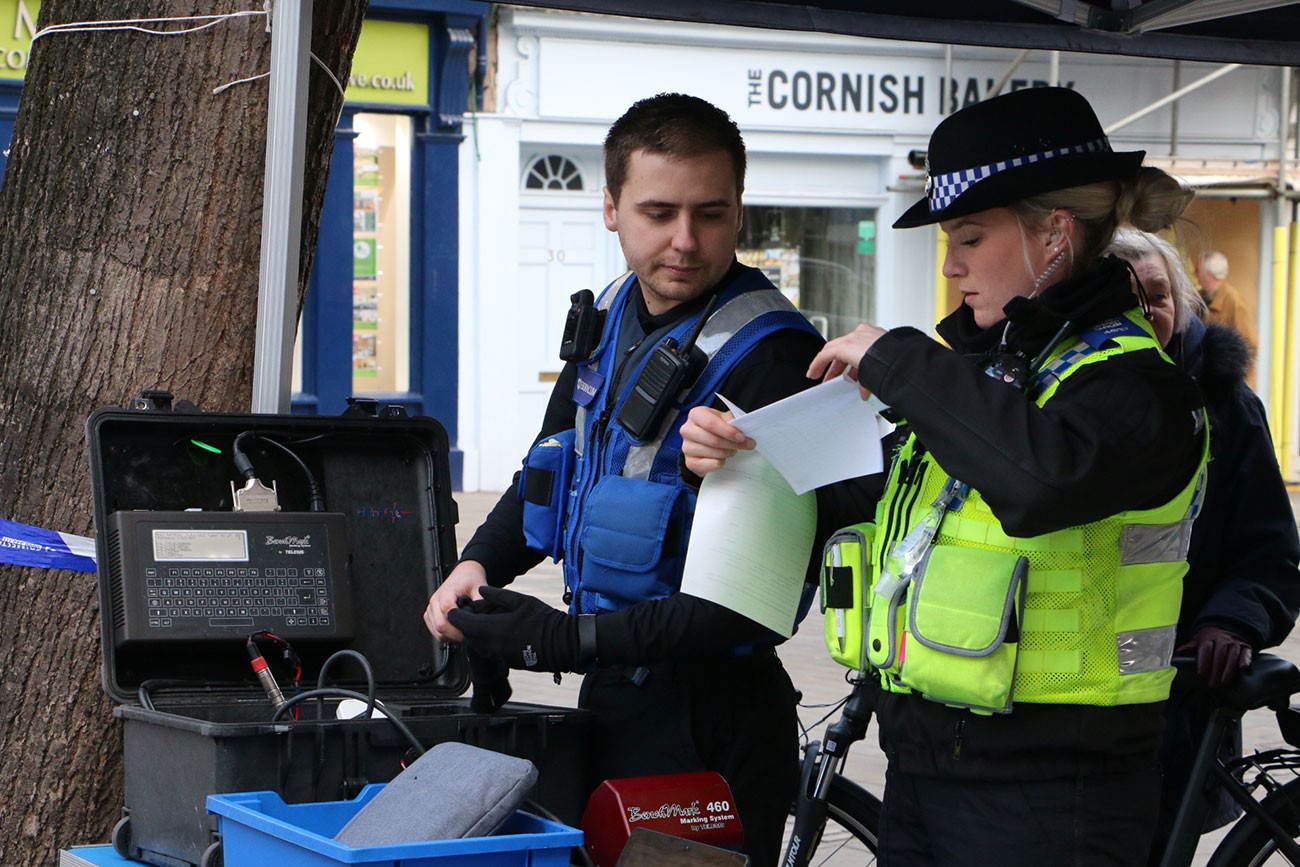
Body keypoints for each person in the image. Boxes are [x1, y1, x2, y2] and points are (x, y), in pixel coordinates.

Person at [681, 86, 1208, 866]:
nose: (950, 263)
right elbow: (884, 508)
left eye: (967, 236)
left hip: (1054, 796)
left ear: (1055, 234)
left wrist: (898, 358)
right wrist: (749, 454)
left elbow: (1041, 484)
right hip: (930, 766)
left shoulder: (1137, 386)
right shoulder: (991, 375)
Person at [422, 93, 858, 866]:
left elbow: (739, 612)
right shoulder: (612, 314)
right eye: (659, 212)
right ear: (611, 208)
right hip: (615, 698)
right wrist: (477, 564)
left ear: (740, 211)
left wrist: (560, 636)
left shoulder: (775, 359)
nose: (685, 241)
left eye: (711, 214)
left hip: (712, 720)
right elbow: (550, 467)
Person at [1107, 228, 1300, 858]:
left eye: (1158, 297)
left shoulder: (1228, 407)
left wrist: (1233, 622)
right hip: (1072, 700)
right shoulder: (1055, 403)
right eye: (1123, 300)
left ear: (1185, 303)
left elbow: (1269, 552)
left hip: (1178, 703)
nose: (1145, 314)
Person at [1195, 249, 1258, 353]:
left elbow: (1250, 345)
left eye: (1198, 270)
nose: (1195, 274)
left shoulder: (1235, 303)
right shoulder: (1197, 298)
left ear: (1210, 275)